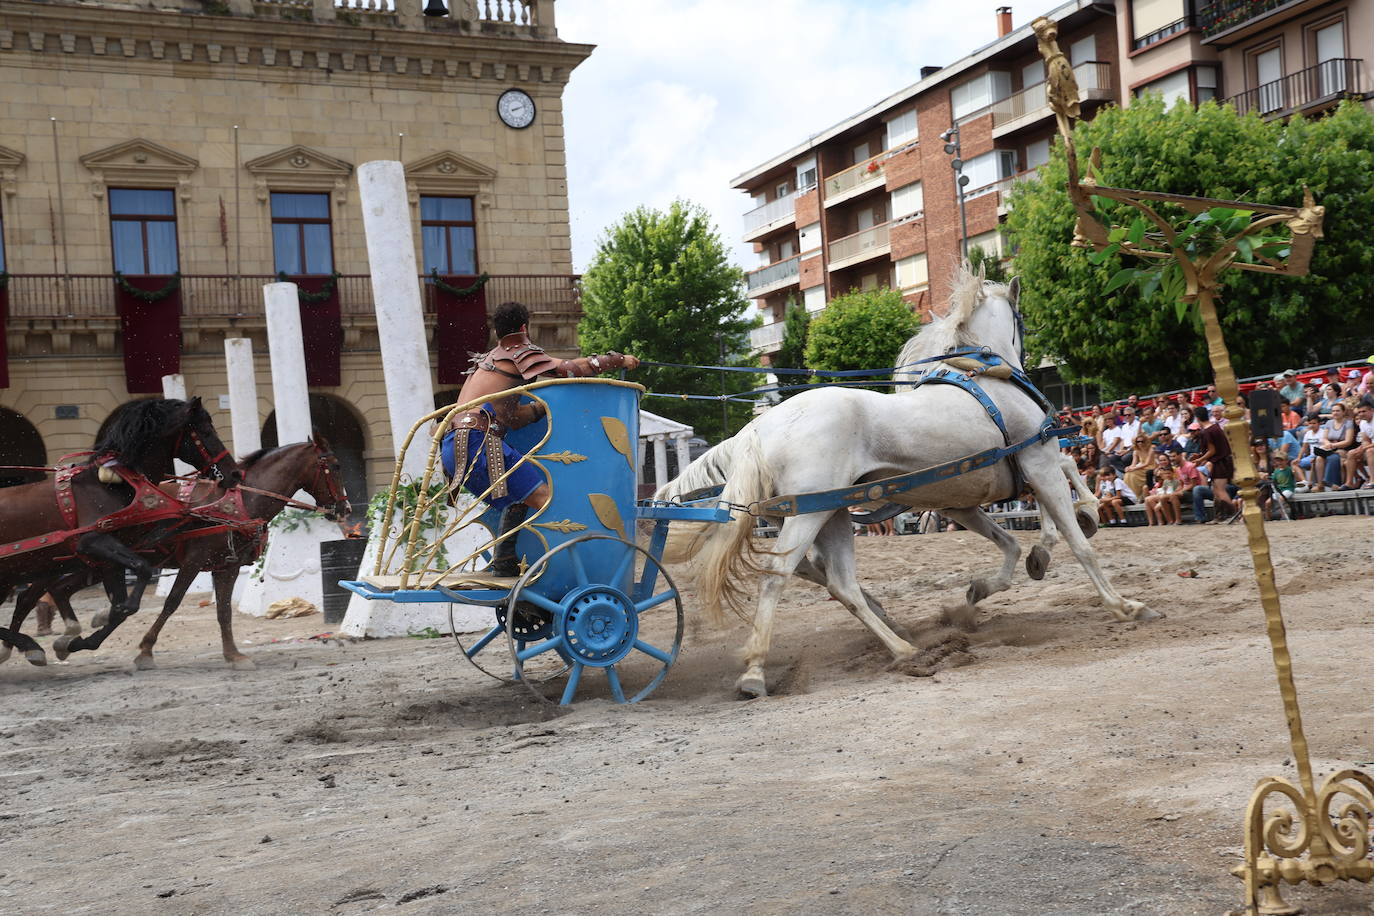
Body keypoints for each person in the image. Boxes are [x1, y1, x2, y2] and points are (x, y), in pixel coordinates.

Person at [441, 300, 640, 576]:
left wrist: (541, 409)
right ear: (524, 328)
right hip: (478, 443)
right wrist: (618, 360)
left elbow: (512, 418)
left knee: (521, 494)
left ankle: (505, 560)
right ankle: (569, 569)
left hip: (453, 447)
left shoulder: (488, 362)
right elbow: (573, 369)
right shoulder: (517, 352)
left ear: (496, 331)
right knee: (545, 497)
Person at [1191, 404, 1237, 523]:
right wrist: (1201, 457)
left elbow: (1212, 451)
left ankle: (1234, 514)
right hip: (1220, 461)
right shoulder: (1215, 427)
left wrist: (1200, 460)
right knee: (1216, 491)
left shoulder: (1208, 431)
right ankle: (1219, 516)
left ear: (1197, 418)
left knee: (1220, 491)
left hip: (1220, 462)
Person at [1312, 401, 1355, 491]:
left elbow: (1348, 441)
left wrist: (1333, 445)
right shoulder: (1329, 423)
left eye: (1338, 411)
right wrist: (1328, 444)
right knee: (1319, 458)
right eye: (1333, 411)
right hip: (1330, 448)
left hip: (1343, 449)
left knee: (1333, 458)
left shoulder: (1348, 423)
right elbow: (1324, 438)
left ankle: (1333, 483)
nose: (1335, 413)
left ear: (1343, 412)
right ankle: (1320, 485)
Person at [1344, 402, 1374, 489]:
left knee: (1370, 451)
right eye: (1359, 412)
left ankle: (1372, 481)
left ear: (1372, 410)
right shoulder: (1362, 423)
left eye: (1364, 411)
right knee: (1351, 453)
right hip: (1370, 446)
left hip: (1371, 449)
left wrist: (1365, 448)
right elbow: (1366, 440)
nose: (1361, 414)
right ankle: (1349, 483)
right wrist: (1361, 448)